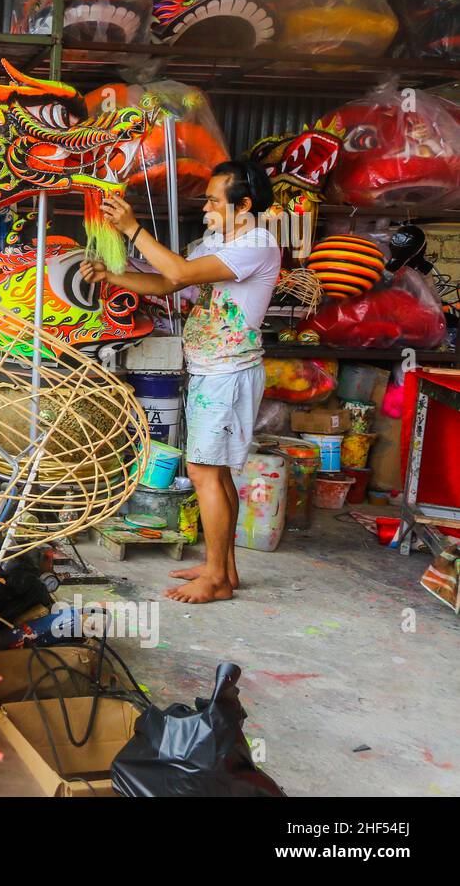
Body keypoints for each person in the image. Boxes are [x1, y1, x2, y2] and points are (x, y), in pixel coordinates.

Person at [82, 161, 281, 604]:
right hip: (211, 370)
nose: (206, 205)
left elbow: (181, 274)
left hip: (228, 374)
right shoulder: (215, 243)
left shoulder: (256, 243)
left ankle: (214, 579)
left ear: (244, 205)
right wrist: (113, 275)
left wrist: (133, 229)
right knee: (217, 473)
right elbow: (169, 283)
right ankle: (223, 569)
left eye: (213, 199)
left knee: (202, 473)